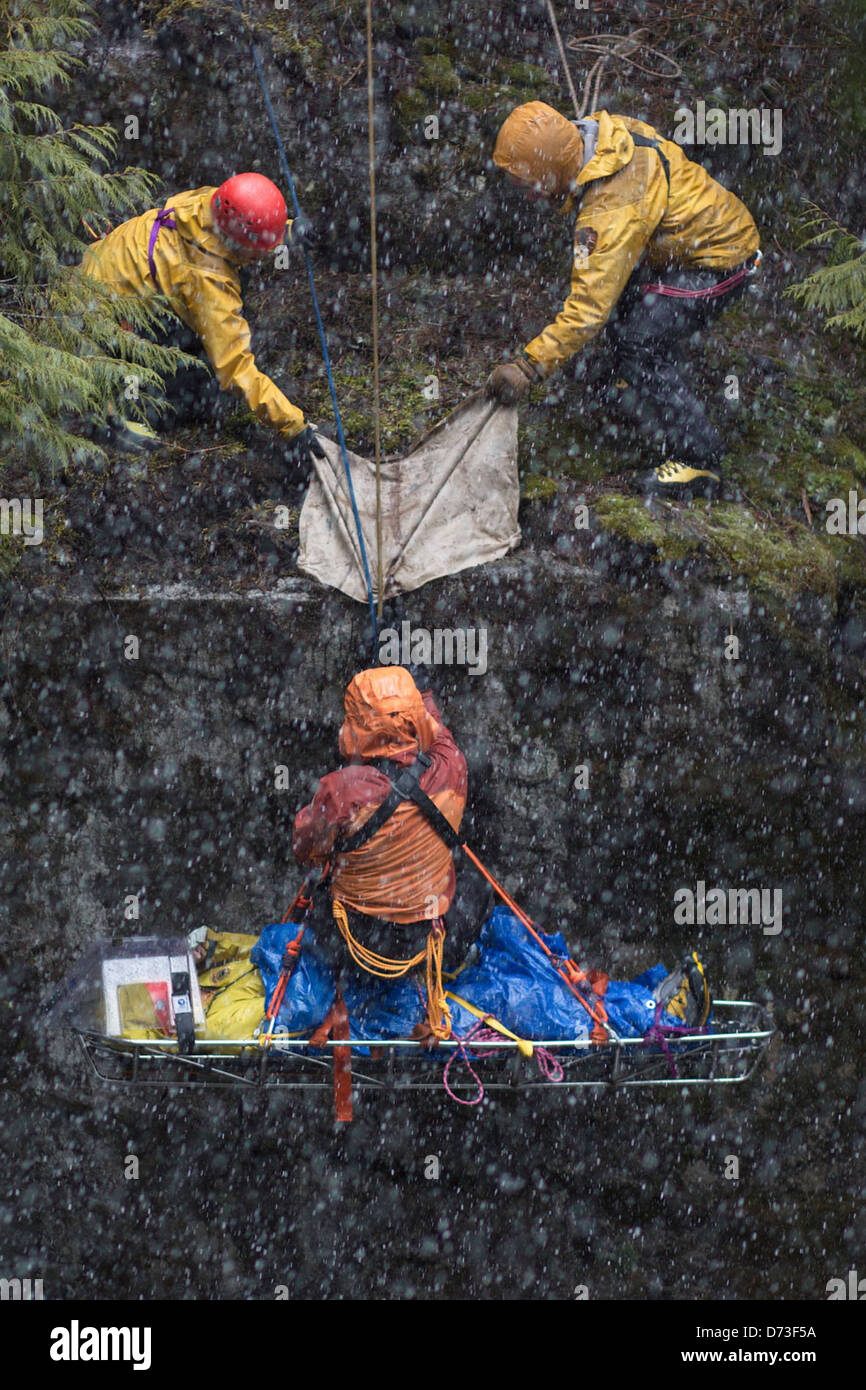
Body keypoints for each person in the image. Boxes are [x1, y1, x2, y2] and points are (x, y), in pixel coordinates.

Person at [485, 102, 761, 498]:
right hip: (674, 251)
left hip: (722, 262)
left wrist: (528, 367)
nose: (530, 196)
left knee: (638, 341)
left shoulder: (612, 204)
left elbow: (587, 310)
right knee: (625, 312)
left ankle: (700, 461)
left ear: (552, 169)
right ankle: (628, 387)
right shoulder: (601, 139)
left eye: (531, 183)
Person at [81, 172, 323, 463]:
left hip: (98, 274)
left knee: (199, 351)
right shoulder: (208, 278)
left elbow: (245, 226)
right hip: (99, 324)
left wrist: (288, 230)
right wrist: (294, 427)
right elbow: (235, 367)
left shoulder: (207, 204)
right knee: (204, 387)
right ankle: (116, 413)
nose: (267, 253)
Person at [292, 666, 492, 996]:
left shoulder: (341, 790)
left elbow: (305, 850)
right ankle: (446, 965)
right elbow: (439, 734)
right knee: (475, 887)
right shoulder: (451, 766)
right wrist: (423, 694)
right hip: (429, 942)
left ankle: (349, 982)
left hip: (352, 945)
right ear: (416, 714)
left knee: (321, 885)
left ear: (354, 724)